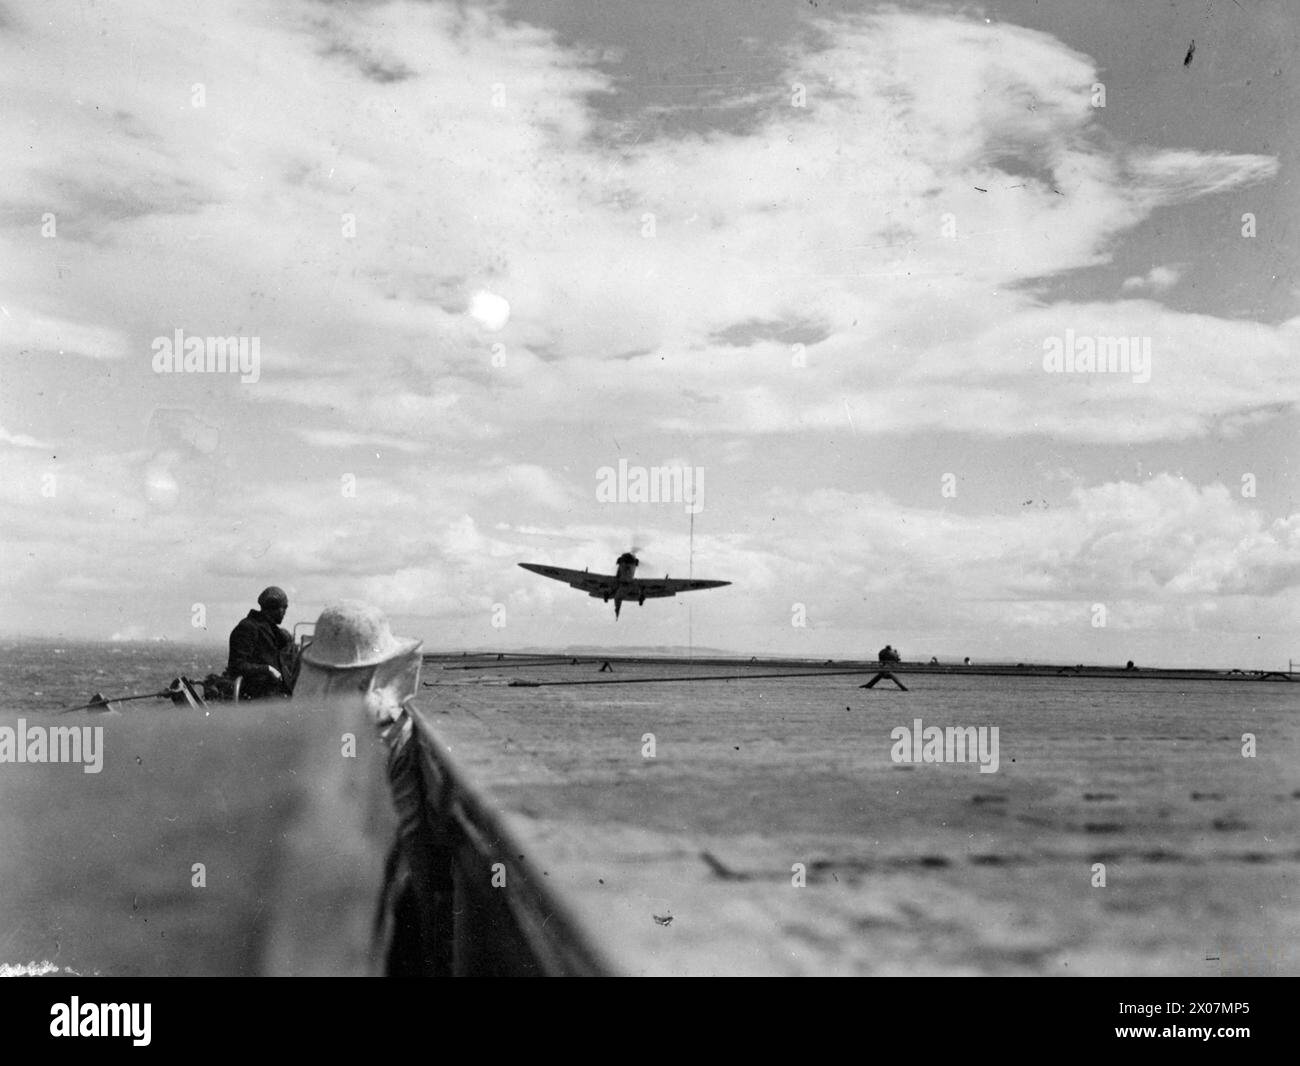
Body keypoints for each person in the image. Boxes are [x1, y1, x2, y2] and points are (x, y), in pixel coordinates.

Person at [227, 586, 298, 699]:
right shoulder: (247, 628)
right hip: (259, 695)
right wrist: (267, 669)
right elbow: (236, 665)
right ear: (274, 608)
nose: (284, 612)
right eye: (284, 607)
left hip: (277, 693)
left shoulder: (274, 631)